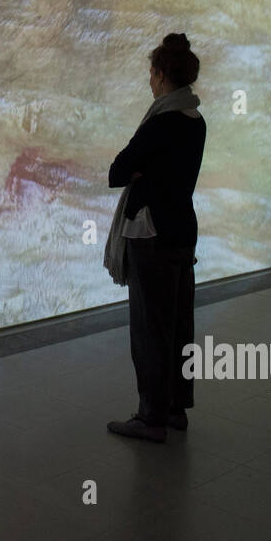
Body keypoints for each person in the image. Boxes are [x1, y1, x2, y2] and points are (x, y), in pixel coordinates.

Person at [103, 32, 206, 443]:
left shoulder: (160, 122)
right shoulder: (195, 120)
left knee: (150, 328)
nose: (149, 80)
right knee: (180, 324)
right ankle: (176, 408)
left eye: (151, 72)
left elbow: (117, 172)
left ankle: (151, 417)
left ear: (163, 75)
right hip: (183, 230)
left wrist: (141, 171)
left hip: (151, 234)